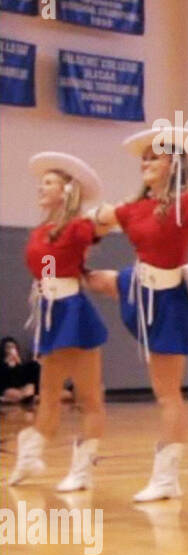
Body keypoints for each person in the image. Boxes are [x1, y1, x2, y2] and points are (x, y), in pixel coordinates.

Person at [82, 126, 188, 501]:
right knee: (94, 280)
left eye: (156, 155)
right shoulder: (132, 208)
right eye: (144, 157)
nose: (147, 161)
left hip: (168, 300)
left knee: (167, 395)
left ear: (175, 163)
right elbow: (93, 223)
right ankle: (82, 463)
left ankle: (167, 477)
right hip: (138, 287)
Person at [8, 153, 109, 490]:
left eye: (49, 182)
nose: (41, 187)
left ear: (67, 190)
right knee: (48, 394)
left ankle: (82, 470)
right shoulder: (42, 230)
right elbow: (46, 266)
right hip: (50, 311)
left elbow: (107, 222)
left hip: (72, 311)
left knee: (89, 398)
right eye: (42, 182)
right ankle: (30, 454)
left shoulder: (79, 226)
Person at [0, 336, 40, 405]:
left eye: (13, 347)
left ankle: (25, 399)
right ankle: (22, 399)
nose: (11, 350)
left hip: (21, 388)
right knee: (14, 393)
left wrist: (19, 364)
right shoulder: (2, 364)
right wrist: (6, 364)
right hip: (8, 389)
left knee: (29, 388)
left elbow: (25, 378)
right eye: (8, 347)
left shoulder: (21, 363)